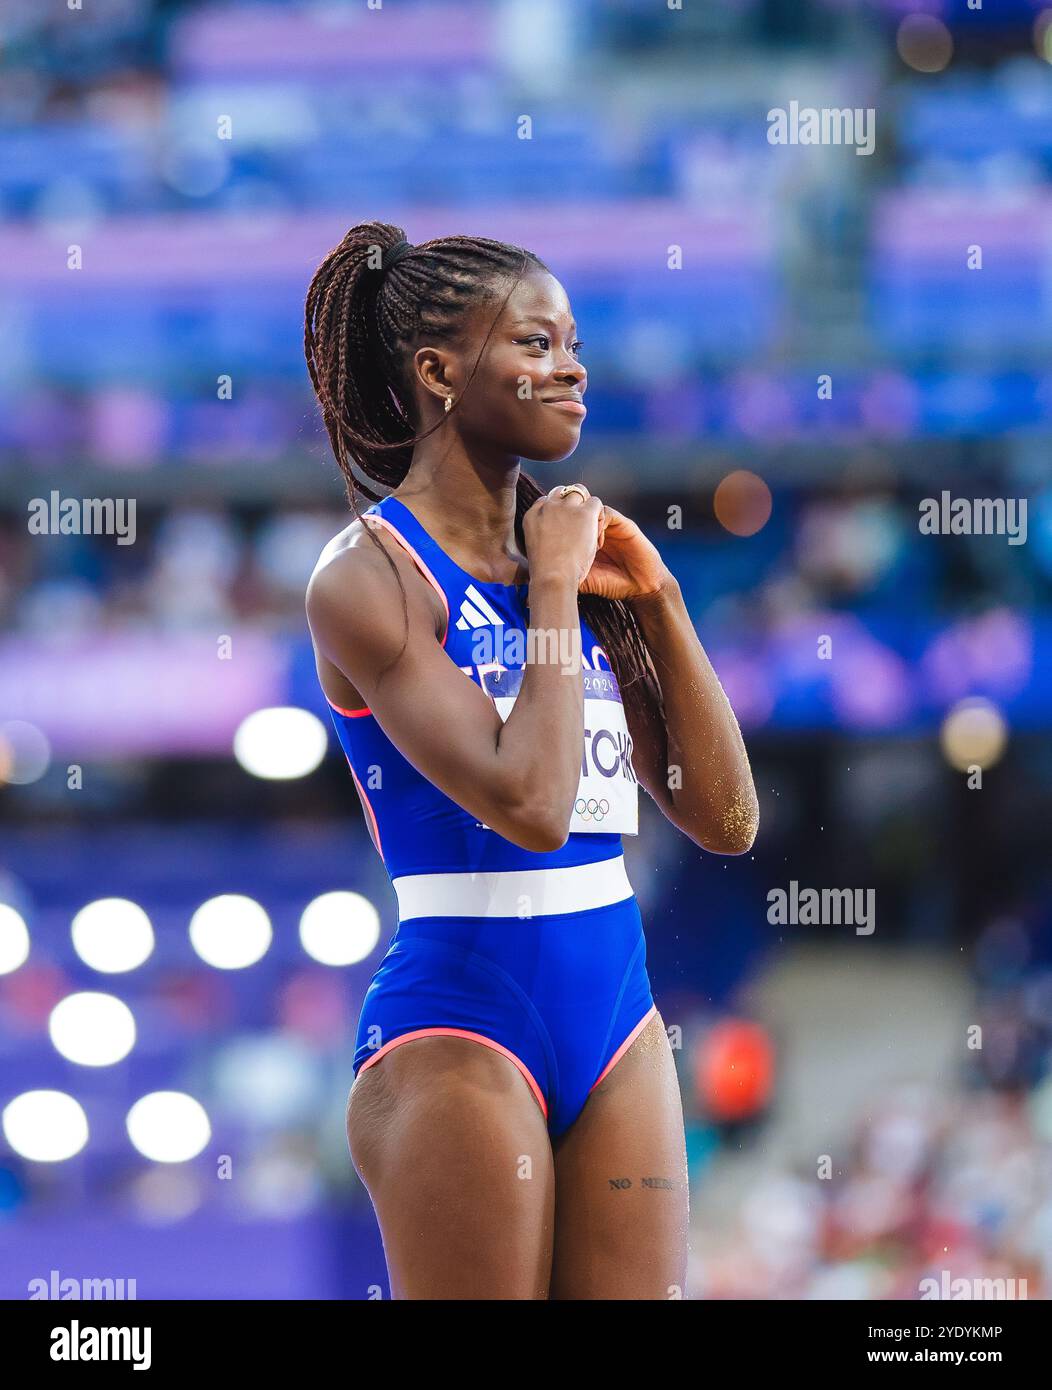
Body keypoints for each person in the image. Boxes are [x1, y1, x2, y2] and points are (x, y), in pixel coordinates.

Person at [304, 223, 758, 1299]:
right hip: (460, 1024)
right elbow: (531, 803)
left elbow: (726, 818)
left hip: (616, 1013)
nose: (573, 367)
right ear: (438, 373)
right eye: (538, 343)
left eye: (574, 343)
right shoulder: (368, 578)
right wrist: (552, 590)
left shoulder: (577, 557)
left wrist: (657, 601)